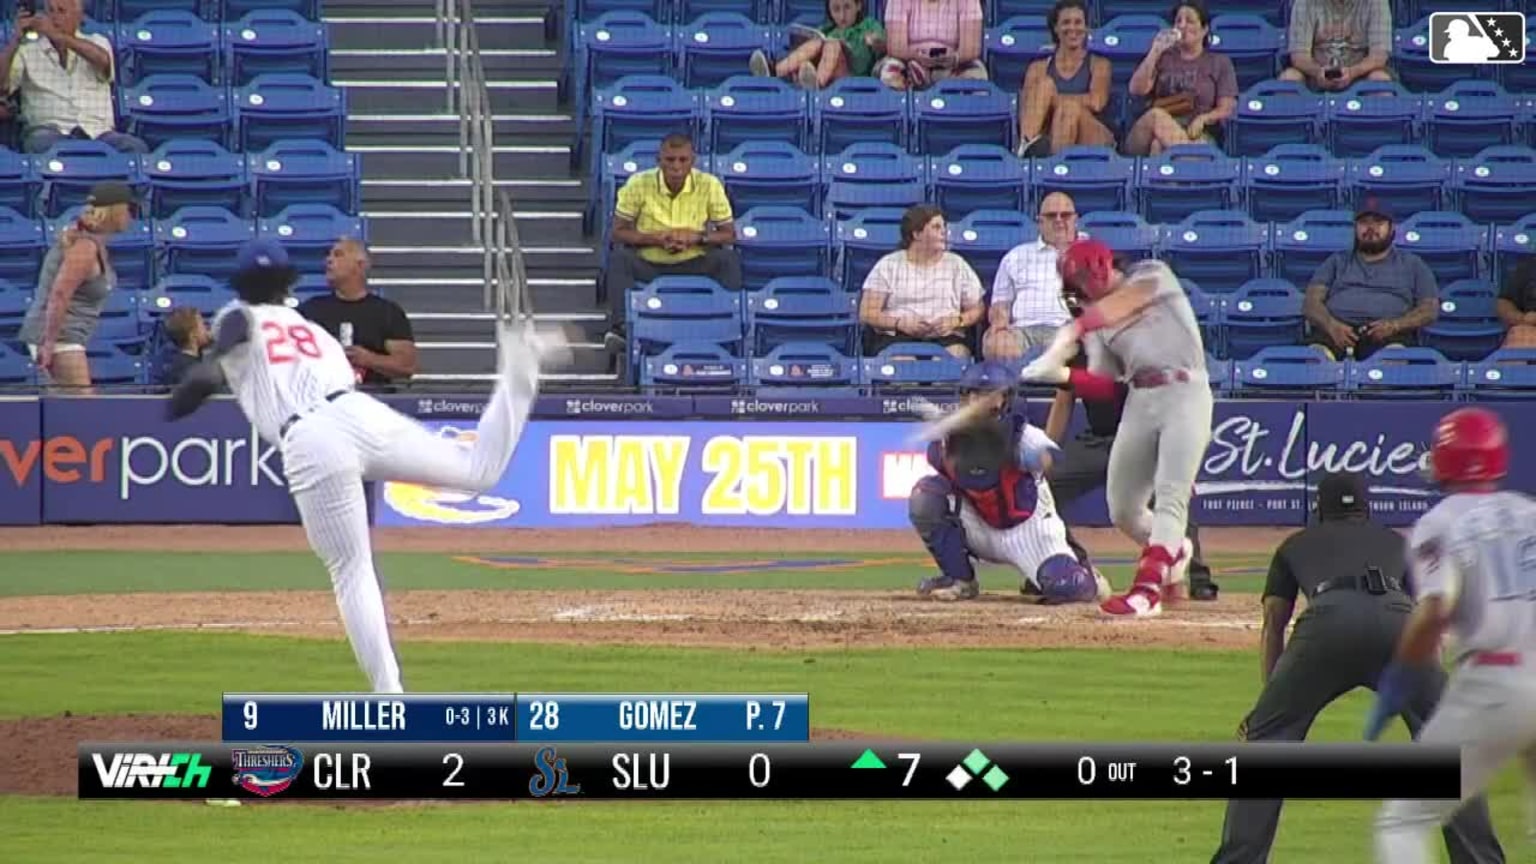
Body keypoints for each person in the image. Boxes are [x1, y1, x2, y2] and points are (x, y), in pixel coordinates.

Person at [166, 238, 567, 693]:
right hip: (358, 412)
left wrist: (194, 384)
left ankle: (389, 694)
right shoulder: (312, 331)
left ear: (238, 282)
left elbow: (222, 356)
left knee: (352, 569)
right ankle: (520, 366)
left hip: (311, 436)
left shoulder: (236, 315)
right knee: (479, 471)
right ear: (289, 283)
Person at [1210, 471, 1504, 864]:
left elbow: (1274, 622)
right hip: (1398, 623)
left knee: (1266, 749)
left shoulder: (1295, 544)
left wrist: (1270, 711)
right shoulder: (1397, 544)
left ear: (1319, 507)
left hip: (1326, 625)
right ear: (1368, 507)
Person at [1368, 407, 1536, 863]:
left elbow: (1435, 610)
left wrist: (1399, 681)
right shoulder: (1529, 511)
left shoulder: (1440, 521)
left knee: (1404, 820)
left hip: (1495, 682)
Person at [1019, 239, 1212, 618]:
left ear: (1105, 266)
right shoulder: (1096, 324)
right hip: (1141, 398)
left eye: (1088, 279)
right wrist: (1059, 373)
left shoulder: (1152, 275)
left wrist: (1068, 334)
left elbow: (1121, 304)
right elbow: (1106, 383)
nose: (1088, 289)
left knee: (1172, 495)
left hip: (1186, 390)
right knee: (1122, 508)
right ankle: (1175, 549)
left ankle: (1147, 591)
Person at [909, 360, 1109, 604]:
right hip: (981, 525)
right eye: (975, 394)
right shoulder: (948, 438)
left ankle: (1083, 570)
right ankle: (959, 580)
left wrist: (1023, 456)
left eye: (990, 395)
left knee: (1067, 587)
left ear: (1005, 399)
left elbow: (1054, 459)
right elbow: (944, 475)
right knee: (925, 495)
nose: (981, 401)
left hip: (1027, 530)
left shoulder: (1022, 436)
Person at [602, 134, 741, 356]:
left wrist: (696, 237)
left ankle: (728, 325)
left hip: (694, 260)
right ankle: (622, 329)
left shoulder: (709, 185)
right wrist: (656, 238)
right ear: (659, 160)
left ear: (692, 161)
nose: (676, 166)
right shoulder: (638, 184)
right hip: (650, 261)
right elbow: (617, 233)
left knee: (728, 259)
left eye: (683, 160)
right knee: (619, 260)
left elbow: (729, 234)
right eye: (670, 160)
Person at [18, 180, 137, 391]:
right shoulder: (84, 247)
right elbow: (60, 294)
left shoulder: (93, 243)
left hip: (68, 335)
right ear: (115, 211)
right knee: (81, 408)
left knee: (69, 410)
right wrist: (49, 343)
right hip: (61, 336)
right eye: (130, 210)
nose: (132, 216)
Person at [1, 0, 147, 155]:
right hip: (50, 134)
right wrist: (14, 41)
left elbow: (103, 61)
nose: (54, 16)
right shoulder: (26, 50)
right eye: (50, 11)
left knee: (135, 147)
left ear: (78, 17)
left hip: (98, 133)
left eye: (61, 11)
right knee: (38, 143)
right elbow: (1, 86)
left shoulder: (97, 41)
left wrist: (59, 37)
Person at [1303, 198, 1438, 361]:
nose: (1371, 228)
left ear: (1391, 228)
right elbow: (1311, 303)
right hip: (1336, 331)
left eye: (1379, 222)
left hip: (1389, 335)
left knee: (1394, 360)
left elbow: (1429, 310)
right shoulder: (1337, 261)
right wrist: (1331, 326)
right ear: (1355, 228)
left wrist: (1395, 325)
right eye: (1364, 223)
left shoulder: (1413, 264)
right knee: (1312, 358)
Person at [858, 204, 985, 359]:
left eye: (944, 226)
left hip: (946, 337)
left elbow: (978, 309)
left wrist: (957, 320)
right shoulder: (889, 264)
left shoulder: (957, 264)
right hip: (898, 337)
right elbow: (867, 313)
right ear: (917, 234)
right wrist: (899, 323)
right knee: (904, 366)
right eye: (936, 227)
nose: (944, 232)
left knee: (952, 359)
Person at [296, 238, 417, 389]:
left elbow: (406, 366)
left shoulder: (388, 312)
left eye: (338, 255)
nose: (329, 260)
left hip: (372, 402)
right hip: (321, 401)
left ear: (360, 265)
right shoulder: (310, 310)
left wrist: (368, 359)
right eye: (329, 255)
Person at [1124, 1, 1238, 156]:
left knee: (1158, 147)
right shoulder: (1163, 57)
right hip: (1152, 129)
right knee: (1156, 115)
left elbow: (1227, 108)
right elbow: (1136, 90)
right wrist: (1155, 51)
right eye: (1178, 21)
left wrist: (1203, 119)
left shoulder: (1219, 62)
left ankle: (1185, 162)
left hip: (1197, 133)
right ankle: (1194, 161)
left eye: (1189, 21)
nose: (1182, 25)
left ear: (1204, 29)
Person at [983, 192, 1078, 360]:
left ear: (1075, 219)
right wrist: (1000, 321)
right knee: (996, 342)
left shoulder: (1092, 253)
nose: (1058, 220)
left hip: (1069, 330)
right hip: (1022, 331)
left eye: (1065, 215)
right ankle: (1010, 386)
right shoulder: (1017, 255)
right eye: (1050, 216)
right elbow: (1000, 302)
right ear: (1040, 222)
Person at [1015, 0, 1114, 158]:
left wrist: (1053, 100)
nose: (1072, 28)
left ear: (1086, 27)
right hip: (1052, 133)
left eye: (1078, 22)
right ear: (1056, 28)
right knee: (1044, 86)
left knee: (1068, 109)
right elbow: (1026, 109)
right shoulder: (1037, 67)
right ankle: (1025, 147)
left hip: (1093, 133)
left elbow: (1096, 102)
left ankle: (1055, 168)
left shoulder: (1099, 64)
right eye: (1066, 23)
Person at [749, 0, 886, 90]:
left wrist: (875, 41)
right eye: (836, 9)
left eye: (847, 7)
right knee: (816, 42)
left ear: (858, 5)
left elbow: (885, 47)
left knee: (832, 45)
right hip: (828, 74)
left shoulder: (869, 24)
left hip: (852, 78)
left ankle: (816, 85)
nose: (842, 15)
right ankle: (774, 72)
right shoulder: (828, 29)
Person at [1281, 0, 1395, 91]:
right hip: (1315, 75)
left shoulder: (1377, 2)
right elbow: (1299, 56)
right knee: (1289, 78)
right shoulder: (1304, 3)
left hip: (1361, 75)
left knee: (1380, 80)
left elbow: (1379, 56)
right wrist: (1317, 72)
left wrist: (1352, 73)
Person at [874, 0, 987, 91]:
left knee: (977, 74)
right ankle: (899, 115)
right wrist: (916, 56)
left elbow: (971, 48)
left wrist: (954, 58)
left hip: (953, 64)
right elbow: (896, 46)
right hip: (909, 61)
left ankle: (960, 115)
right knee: (890, 73)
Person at [159, 306, 211, 386]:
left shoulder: (177, 366)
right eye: (203, 325)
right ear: (193, 335)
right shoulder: (194, 371)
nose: (207, 329)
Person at [1496, 257, 1536, 348]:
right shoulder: (1530, 267)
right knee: (1519, 335)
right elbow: (1503, 302)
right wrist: (1520, 318)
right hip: (1529, 329)